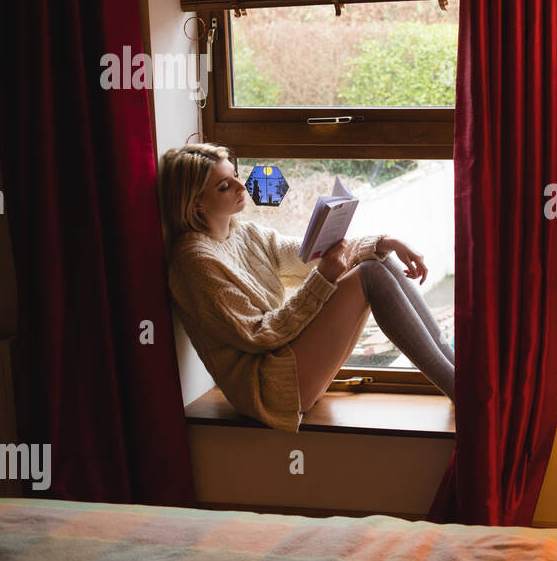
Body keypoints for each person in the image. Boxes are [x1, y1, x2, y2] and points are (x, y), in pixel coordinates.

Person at [158, 142, 455, 432]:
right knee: (370, 275)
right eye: (224, 186)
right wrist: (324, 277)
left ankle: (460, 378)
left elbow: (308, 258)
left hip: (293, 361)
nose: (240, 186)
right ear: (197, 205)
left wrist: (385, 242)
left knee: (379, 261)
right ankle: (462, 393)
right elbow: (259, 336)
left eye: (235, 175)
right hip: (272, 388)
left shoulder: (245, 233)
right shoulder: (195, 262)